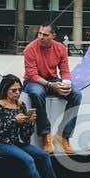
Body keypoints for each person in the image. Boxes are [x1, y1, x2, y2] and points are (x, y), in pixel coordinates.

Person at [0, 73, 67, 178]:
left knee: (43, 155)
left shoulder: (21, 105)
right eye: (13, 90)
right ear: (5, 90)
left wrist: (29, 123)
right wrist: (14, 121)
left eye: (19, 90)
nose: (17, 93)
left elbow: (25, 137)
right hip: (1, 144)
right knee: (28, 159)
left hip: (17, 143)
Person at [22, 24, 80, 154]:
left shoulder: (60, 48)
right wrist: (50, 85)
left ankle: (63, 135)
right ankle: (45, 135)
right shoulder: (30, 49)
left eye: (45, 35)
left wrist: (65, 84)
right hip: (33, 81)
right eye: (40, 34)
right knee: (37, 93)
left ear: (53, 35)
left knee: (76, 94)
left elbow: (64, 71)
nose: (41, 37)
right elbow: (32, 74)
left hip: (52, 80)